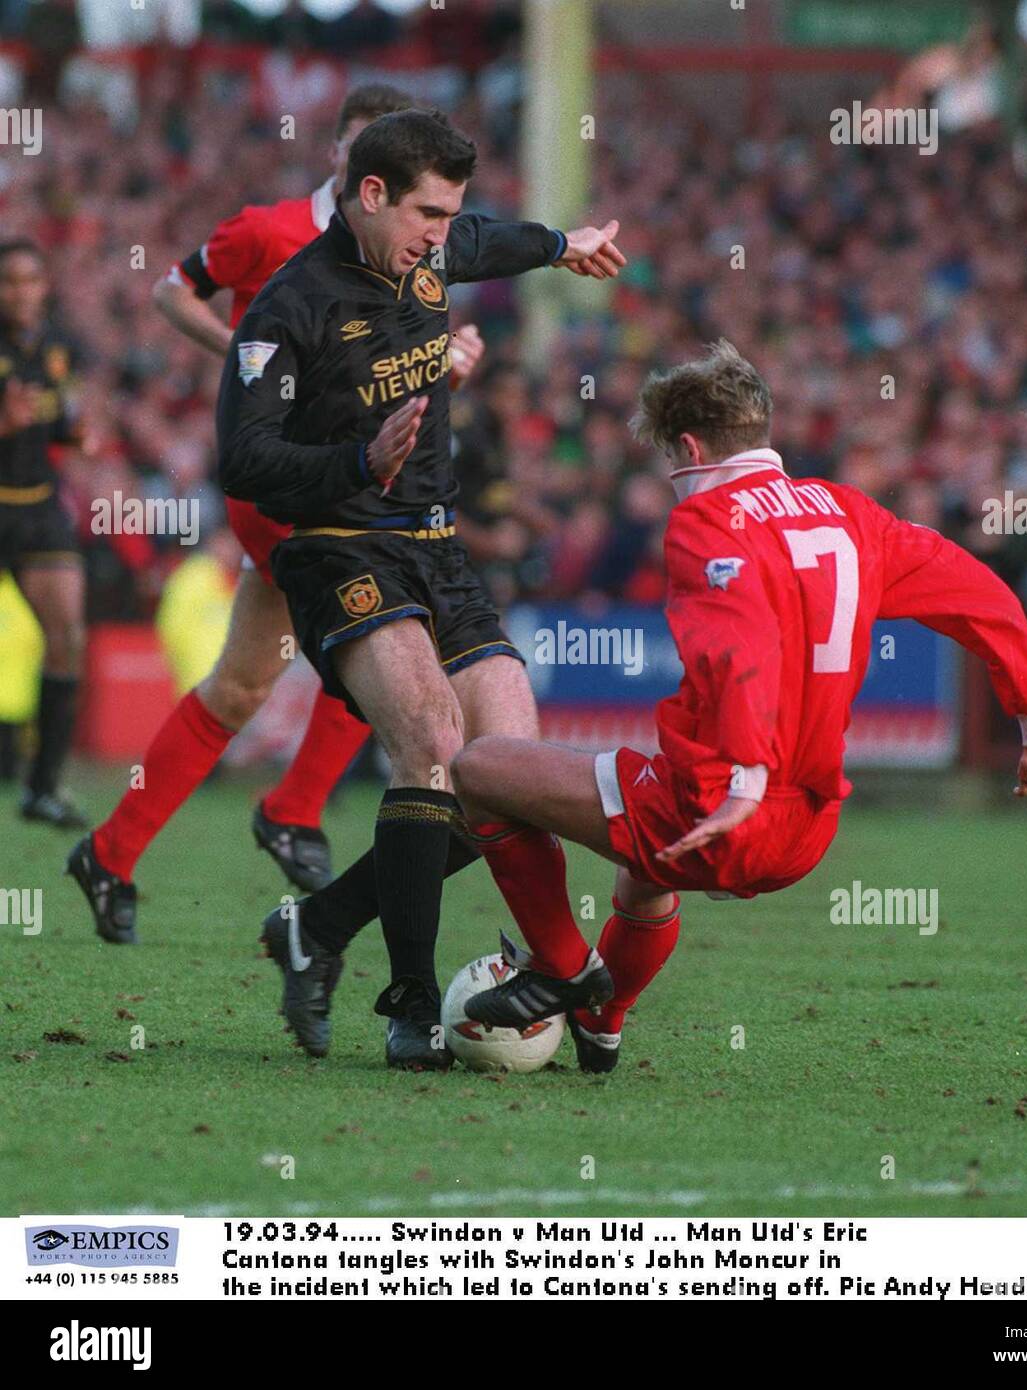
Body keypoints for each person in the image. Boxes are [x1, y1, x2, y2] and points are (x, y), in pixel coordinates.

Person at [445, 341, 1027, 1071]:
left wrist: (744, 776)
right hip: (807, 828)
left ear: (690, 447)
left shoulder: (706, 520)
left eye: (670, 458)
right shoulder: (850, 513)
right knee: (645, 873)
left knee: (479, 769)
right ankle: (602, 1021)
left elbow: (737, 644)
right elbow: (982, 594)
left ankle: (562, 967)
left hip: (719, 807)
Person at [217, 107, 624, 1068]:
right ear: (371, 195)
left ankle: (317, 926)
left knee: (507, 774)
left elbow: (485, 240)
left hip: (438, 551)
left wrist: (562, 245)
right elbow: (244, 460)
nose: (440, 235)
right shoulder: (288, 308)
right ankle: (409, 1004)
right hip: (340, 550)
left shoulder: (433, 254)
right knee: (434, 742)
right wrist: (360, 460)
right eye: (426, 214)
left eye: (447, 215)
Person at [66, 84, 485, 943]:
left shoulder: (409, 249)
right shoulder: (268, 232)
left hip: (359, 478)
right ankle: (293, 812)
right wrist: (245, 359)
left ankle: (113, 852)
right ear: (342, 156)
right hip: (290, 484)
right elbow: (173, 292)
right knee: (377, 622)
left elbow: (399, 357)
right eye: (364, 149)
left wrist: (449, 357)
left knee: (243, 683)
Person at [0, 239, 90, 829]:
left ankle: (42, 788)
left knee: (68, 639)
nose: (20, 291)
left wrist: (78, 433)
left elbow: (66, 421)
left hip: (36, 505)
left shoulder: (60, 346)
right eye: (9, 281)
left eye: (30, 279)